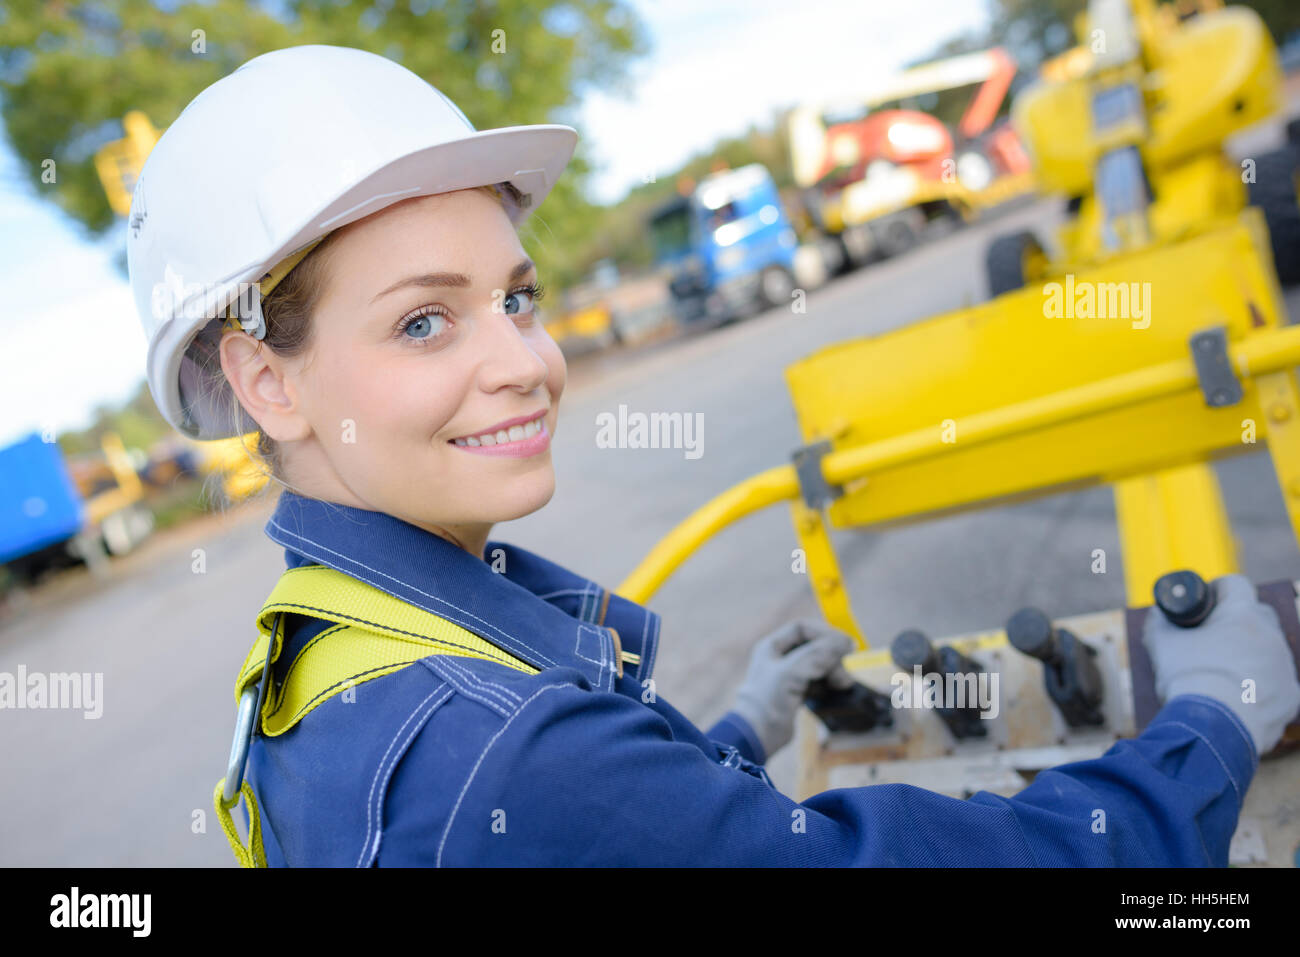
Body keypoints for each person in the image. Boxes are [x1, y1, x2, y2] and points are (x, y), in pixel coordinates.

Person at [128, 44, 1300, 867]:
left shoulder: (324, 654)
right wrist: (1211, 721)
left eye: (517, 299)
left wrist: (729, 736)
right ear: (267, 383)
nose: (525, 364)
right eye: (424, 321)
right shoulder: (506, 754)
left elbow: (600, 837)